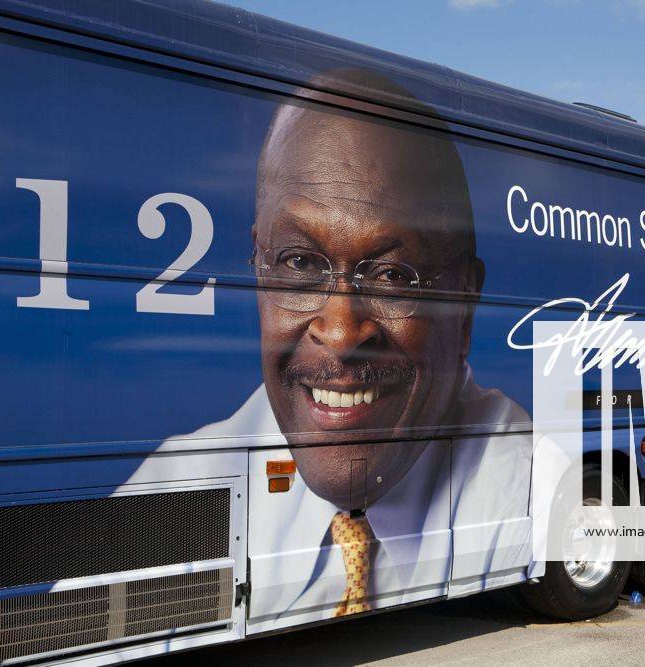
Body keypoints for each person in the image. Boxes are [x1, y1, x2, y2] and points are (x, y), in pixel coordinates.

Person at [167, 69, 531, 627]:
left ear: (464, 304)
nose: (340, 330)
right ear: (257, 268)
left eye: (393, 274)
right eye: (300, 263)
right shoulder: (178, 485)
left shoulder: (523, 487)